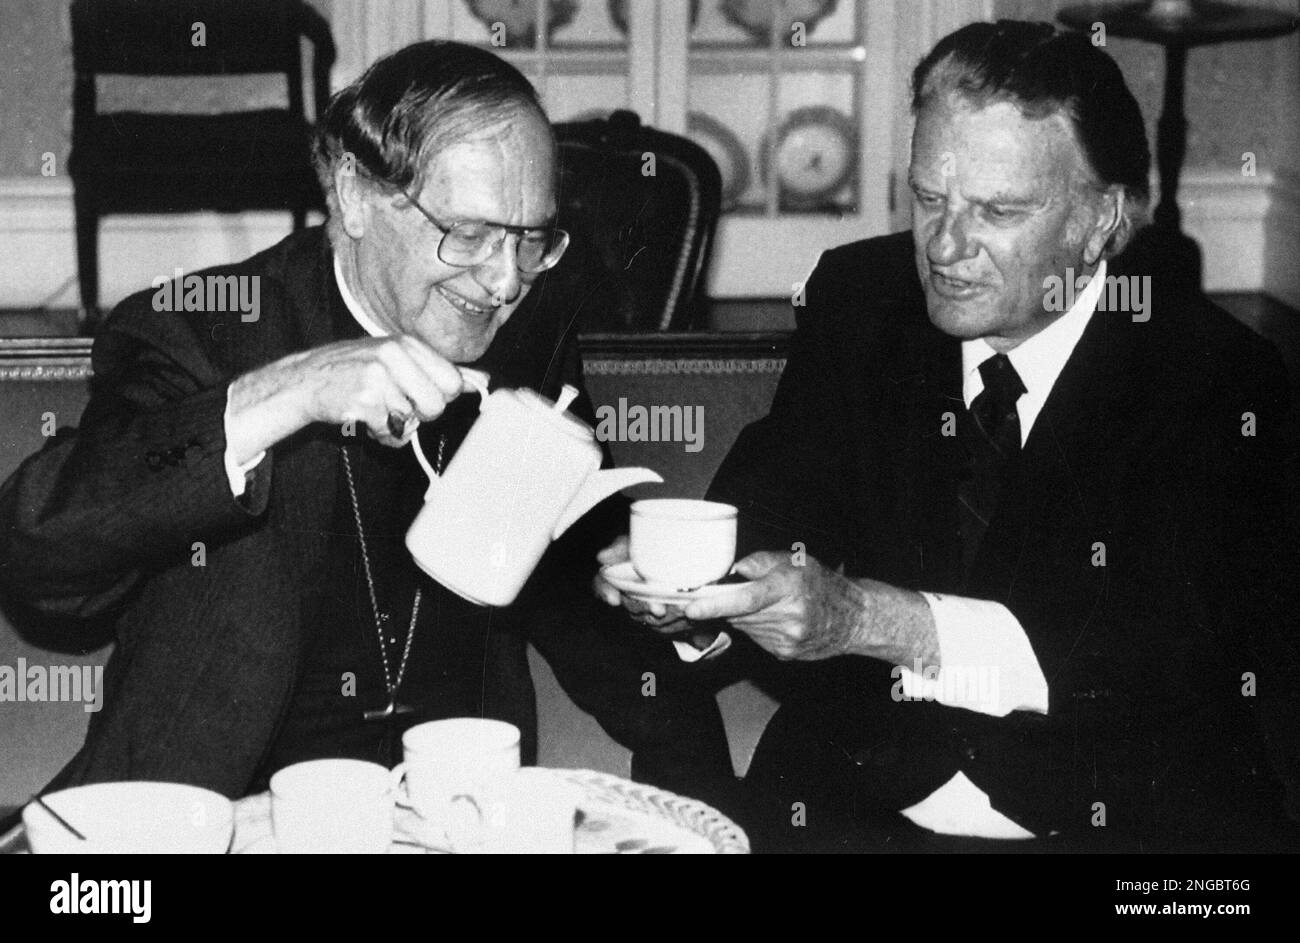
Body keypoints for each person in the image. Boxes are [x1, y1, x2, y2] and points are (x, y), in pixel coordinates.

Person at [597, 20, 1299, 852]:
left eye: (999, 210)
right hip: (854, 800)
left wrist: (866, 620)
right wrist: (695, 600)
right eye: (930, 198)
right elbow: (775, 499)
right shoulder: (861, 300)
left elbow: (1143, 647)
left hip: (1124, 827)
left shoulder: (1215, 378)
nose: (948, 246)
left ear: (1101, 219)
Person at [0, 40, 730, 799]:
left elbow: (579, 580)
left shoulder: (530, 333)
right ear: (355, 194)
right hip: (219, 818)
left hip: (454, 812)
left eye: (531, 239)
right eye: (471, 234)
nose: (506, 279)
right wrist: (280, 397)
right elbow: (41, 555)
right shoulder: (201, 331)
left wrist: (670, 620)